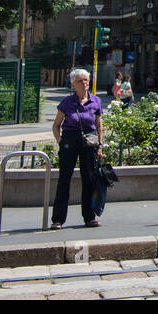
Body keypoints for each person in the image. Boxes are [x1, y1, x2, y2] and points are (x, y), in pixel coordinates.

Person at [50, 68, 104, 229]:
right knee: (64, 180)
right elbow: (56, 126)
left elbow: (99, 125)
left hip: (89, 141)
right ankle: (58, 219)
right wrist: (61, 142)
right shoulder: (67, 102)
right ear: (73, 83)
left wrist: (100, 145)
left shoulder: (96, 101)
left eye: (86, 80)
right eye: (81, 80)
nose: (85, 83)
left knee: (89, 179)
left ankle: (89, 217)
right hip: (70, 139)